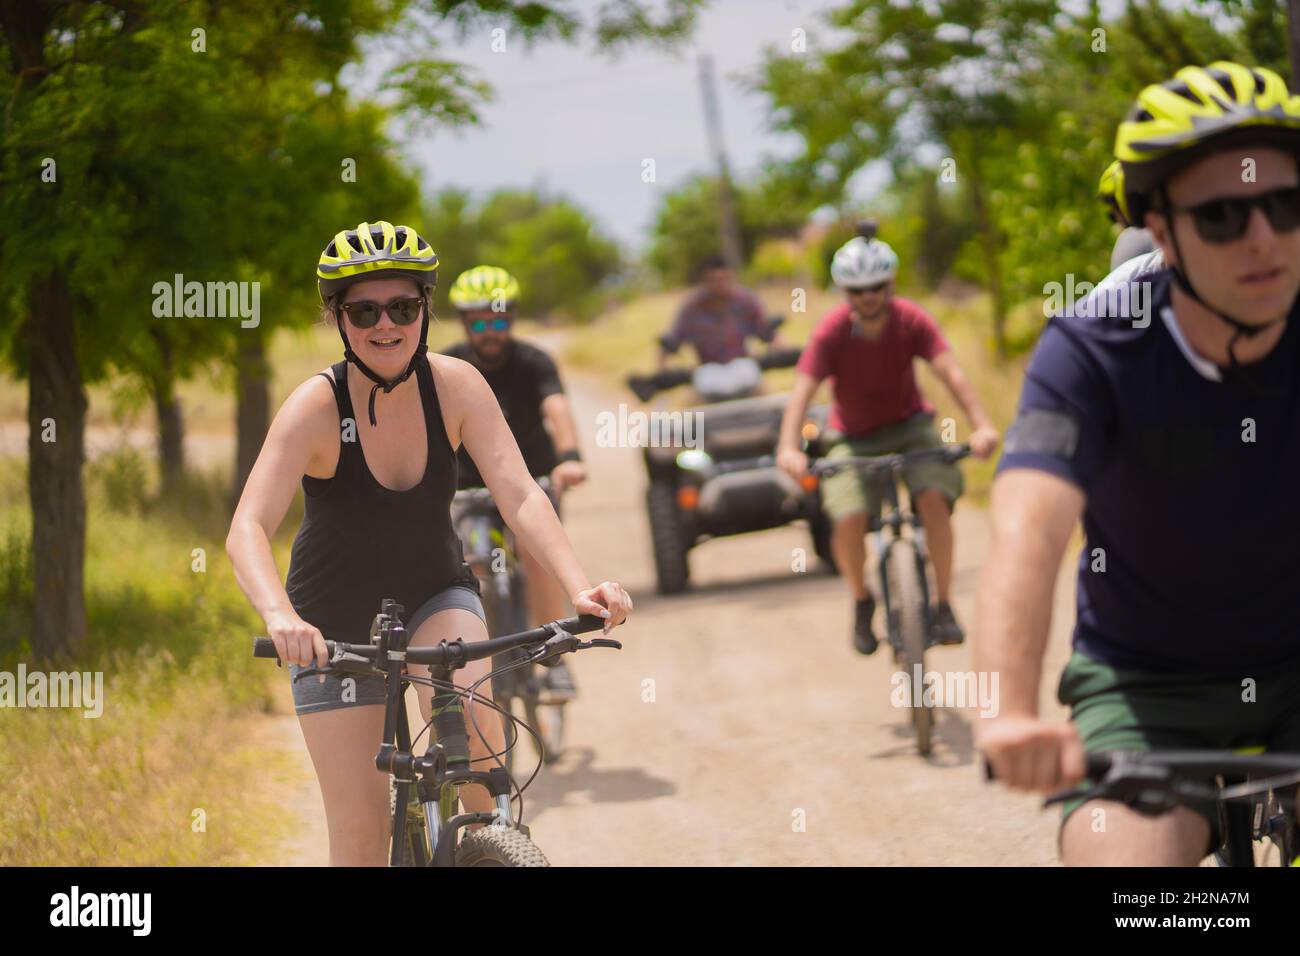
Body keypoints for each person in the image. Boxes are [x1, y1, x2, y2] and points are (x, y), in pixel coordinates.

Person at [226, 221, 632, 866]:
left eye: (403, 307)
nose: (385, 325)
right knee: (359, 836)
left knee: (481, 773)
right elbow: (247, 526)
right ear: (337, 317)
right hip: (331, 626)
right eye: (364, 311)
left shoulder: (457, 385)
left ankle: (485, 849)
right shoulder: (316, 406)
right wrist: (282, 617)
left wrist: (579, 583)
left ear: (424, 310)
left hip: (434, 592)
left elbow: (521, 493)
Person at [975, 62, 1300, 866]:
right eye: (1222, 215)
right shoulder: (1091, 350)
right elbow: (1029, 527)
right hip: (1149, 687)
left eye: (1287, 206)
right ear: (1160, 231)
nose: (1263, 237)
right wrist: (1007, 712)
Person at [776, 234, 1000, 654]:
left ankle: (943, 603)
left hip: (910, 425)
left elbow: (951, 373)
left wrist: (983, 425)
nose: (869, 297)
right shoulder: (832, 331)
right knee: (847, 518)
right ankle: (862, 601)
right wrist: (788, 447)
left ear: (891, 284)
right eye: (858, 290)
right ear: (846, 292)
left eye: (877, 287)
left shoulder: (911, 319)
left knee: (933, 499)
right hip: (851, 437)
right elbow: (803, 391)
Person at [443, 264, 586, 702]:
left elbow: (557, 409)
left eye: (499, 319)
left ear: (513, 319)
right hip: (467, 487)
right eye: (480, 321)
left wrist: (569, 458)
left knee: (534, 551)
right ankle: (483, 654)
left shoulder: (533, 361)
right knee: (474, 561)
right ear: (465, 323)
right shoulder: (449, 366)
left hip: (532, 483)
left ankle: (554, 658)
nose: (490, 330)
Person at [658, 254, 782, 368]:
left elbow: (767, 331)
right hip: (708, 369)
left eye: (724, 279)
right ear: (705, 281)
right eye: (714, 280)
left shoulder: (746, 302)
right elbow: (672, 340)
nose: (720, 285)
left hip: (743, 365)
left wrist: (785, 350)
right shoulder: (692, 307)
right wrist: (662, 368)